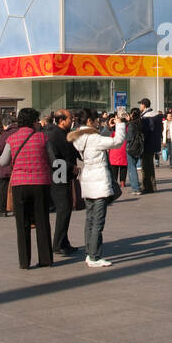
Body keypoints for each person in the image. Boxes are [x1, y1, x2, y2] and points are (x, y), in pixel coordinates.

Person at [69, 109, 127, 268]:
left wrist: (106, 128)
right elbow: (117, 142)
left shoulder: (79, 137)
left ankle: (89, 253)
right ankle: (95, 256)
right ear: (89, 121)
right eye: (95, 120)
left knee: (90, 219)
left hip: (87, 180)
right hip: (99, 181)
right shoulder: (94, 138)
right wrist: (120, 125)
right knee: (98, 221)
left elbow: (100, 137)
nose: (97, 123)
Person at [1, 107, 53, 269]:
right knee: (42, 221)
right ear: (32, 121)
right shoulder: (43, 138)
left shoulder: (12, 139)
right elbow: (52, 159)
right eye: (37, 120)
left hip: (19, 184)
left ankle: (24, 261)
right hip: (40, 183)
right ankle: (45, 259)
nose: (38, 123)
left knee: (22, 223)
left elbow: (3, 161)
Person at [44, 109, 79, 256]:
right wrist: (71, 166)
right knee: (64, 208)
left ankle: (64, 242)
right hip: (58, 175)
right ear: (61, 120)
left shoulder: (65, 134)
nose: (73, 120)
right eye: (70, 118)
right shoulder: (54, 135)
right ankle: (58, 244)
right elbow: (55, 158)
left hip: (66, 174)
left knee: (67, 208)